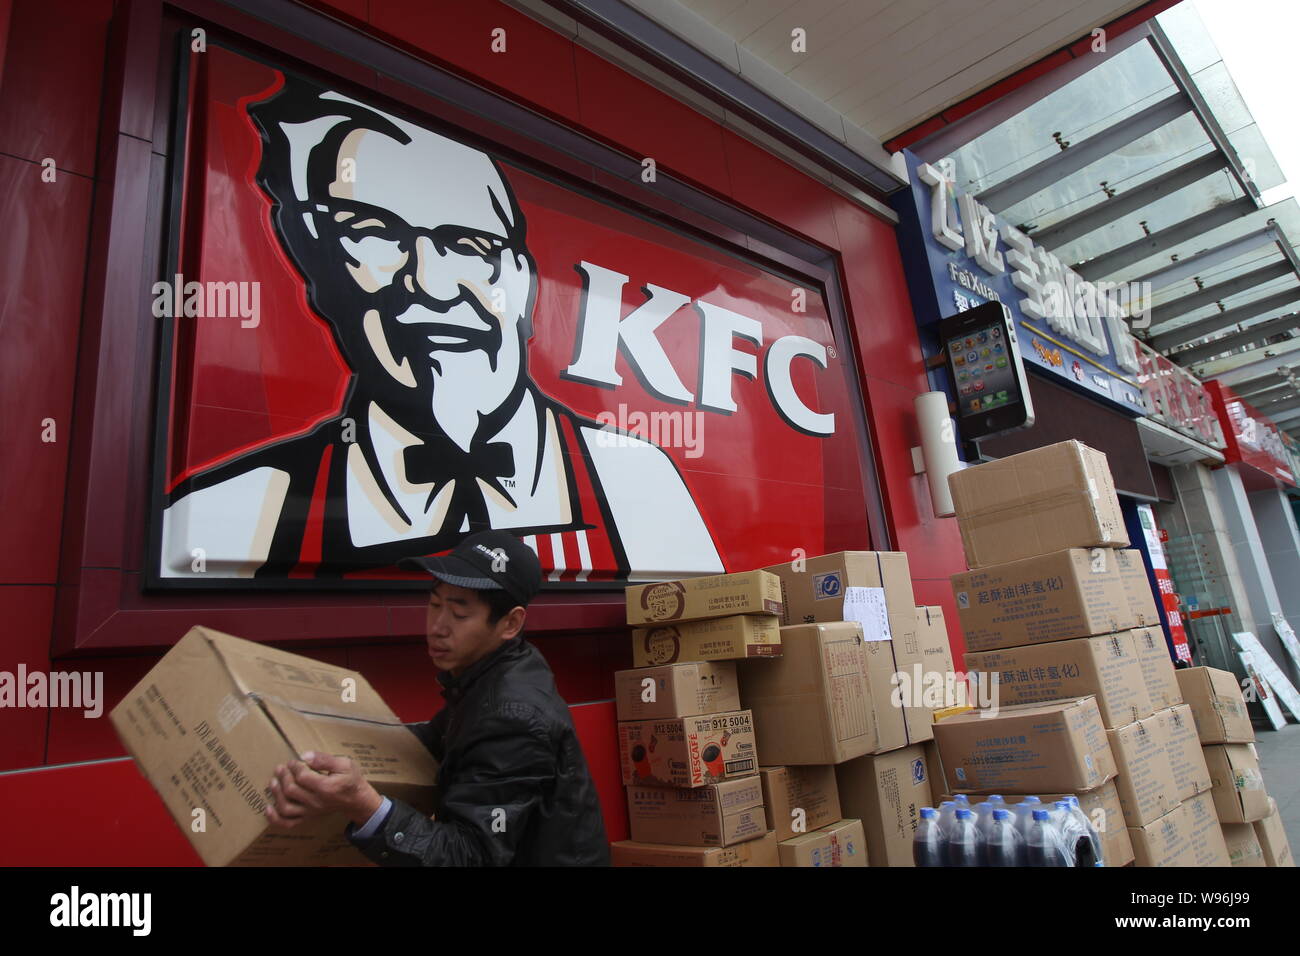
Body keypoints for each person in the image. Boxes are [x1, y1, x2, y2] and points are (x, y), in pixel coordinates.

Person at [158, 72, 721, 582]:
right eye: (375, 234)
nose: (433, 284)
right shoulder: (234, 517)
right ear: (318, 272)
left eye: (470, 245)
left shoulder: (635, 484)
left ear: (523, 282)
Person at [264, 530, 611, 865]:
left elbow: (471, 855)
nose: (438, 626)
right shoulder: (489, 673)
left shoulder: (512, 714)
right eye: (434, 604)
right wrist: (332, 735)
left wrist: (364, 805)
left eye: (459, 613)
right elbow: (428, 745)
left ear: (510, 624)